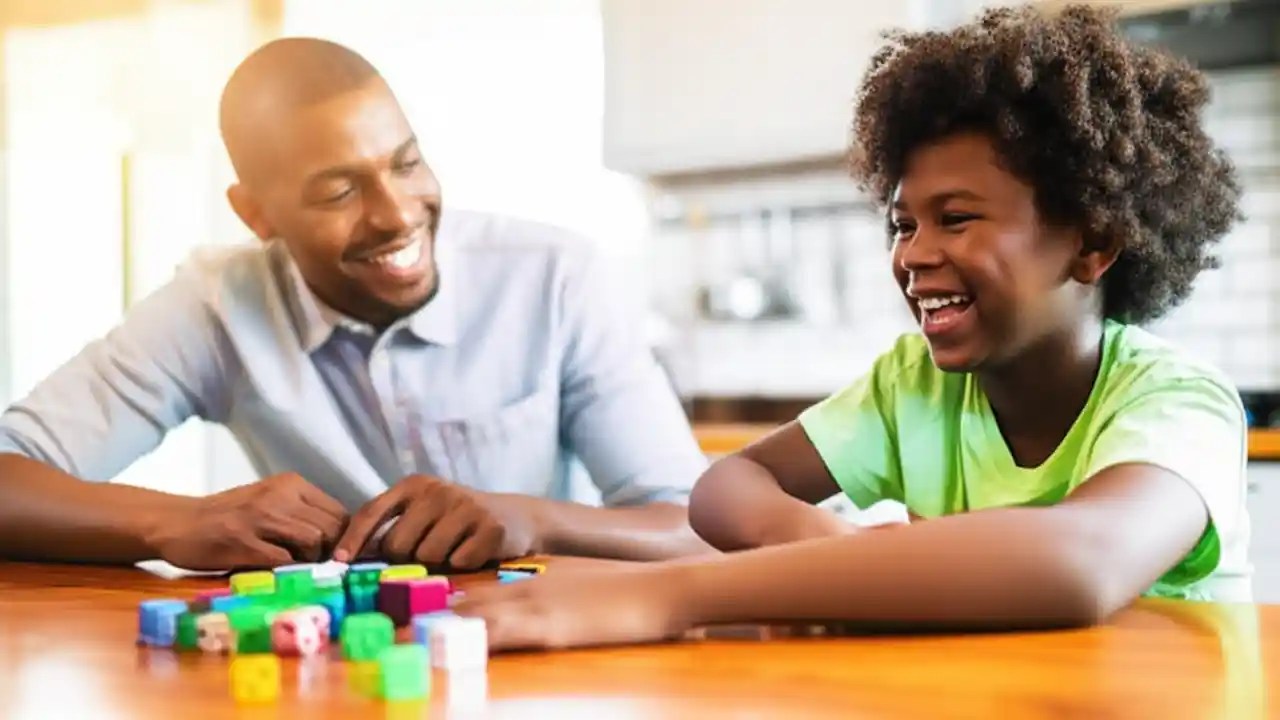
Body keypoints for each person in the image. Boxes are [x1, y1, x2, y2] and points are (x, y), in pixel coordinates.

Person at [454, 4, 1250, 650]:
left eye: (957, 218)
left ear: (1093, 242)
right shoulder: (914, 385)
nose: (914, 254)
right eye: (902, 226)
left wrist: (662, 599)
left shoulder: (1177, 402)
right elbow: (726, 486)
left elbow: (1080, 562)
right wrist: (813, 544)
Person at [0, 38, 711, 570]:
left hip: (541, 658)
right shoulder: (214, 308)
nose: (398, 215)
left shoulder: (555, 278)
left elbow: (695, 524)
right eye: (339, 192)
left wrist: (531, 520)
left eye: (406, 163)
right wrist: (172, 522)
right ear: (256, 216)